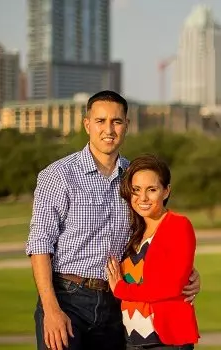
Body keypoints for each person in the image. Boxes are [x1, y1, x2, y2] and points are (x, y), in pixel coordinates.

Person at [26, 90, 200, 350]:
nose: (109, 129)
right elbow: (40, 245)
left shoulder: (136, 179)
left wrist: (186, 272)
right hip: (68, 298)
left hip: (118, 303)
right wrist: (51, 310)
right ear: (87, 125)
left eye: (116, 121)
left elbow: (155, 235)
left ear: (126, 126)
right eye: (100, 121)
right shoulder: (58, 176)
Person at [106, 154, 199, 349]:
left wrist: (121, 289)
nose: (143, 198)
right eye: (136, 190)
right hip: (133, 339)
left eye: (152, 190)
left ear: (166, 192)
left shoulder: (178, 226)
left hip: (167, 340)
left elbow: (170, 287)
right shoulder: (134, 231)